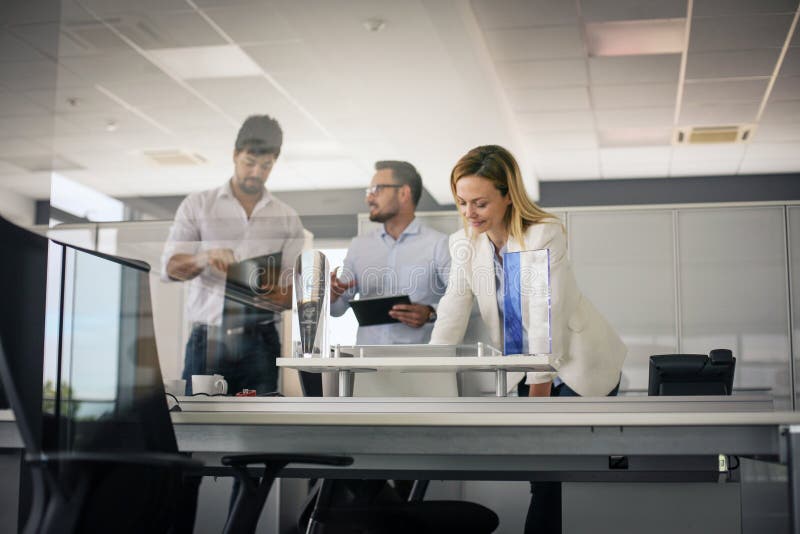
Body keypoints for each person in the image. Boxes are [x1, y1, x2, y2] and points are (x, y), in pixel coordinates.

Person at [429, 145, 627, 534]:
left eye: (481, 203)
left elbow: (544, 318)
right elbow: (451, 310)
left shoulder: (542, 235)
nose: (469, 213)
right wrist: (427, 375)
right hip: (527, 367)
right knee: (543, 476)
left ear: (507, 195)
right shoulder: (467, 244)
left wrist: (539, 400)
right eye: (462, 202)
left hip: (575, 367)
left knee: (556, 477)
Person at [162, 114, 304, 396]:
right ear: (235, 155)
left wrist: (280, 296)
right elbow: (171, 268)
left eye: (266, 166)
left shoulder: (287, 218)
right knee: (199, 426)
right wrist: (204, 257)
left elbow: (293, 292)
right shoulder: (198, 205)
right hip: (208, 339)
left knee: (258, 429)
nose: (256, 173)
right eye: (249, 163)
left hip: (261, 341)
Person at [330, 160, 450, 344]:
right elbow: (337, 310)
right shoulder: (359, 246)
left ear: (403, 193)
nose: (368, 198)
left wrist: (431, 312)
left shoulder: (438, 244)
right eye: (368, 191)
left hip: (421, 366)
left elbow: (465, 302)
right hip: (368, 364)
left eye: (376, 190)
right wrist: (332, 296)